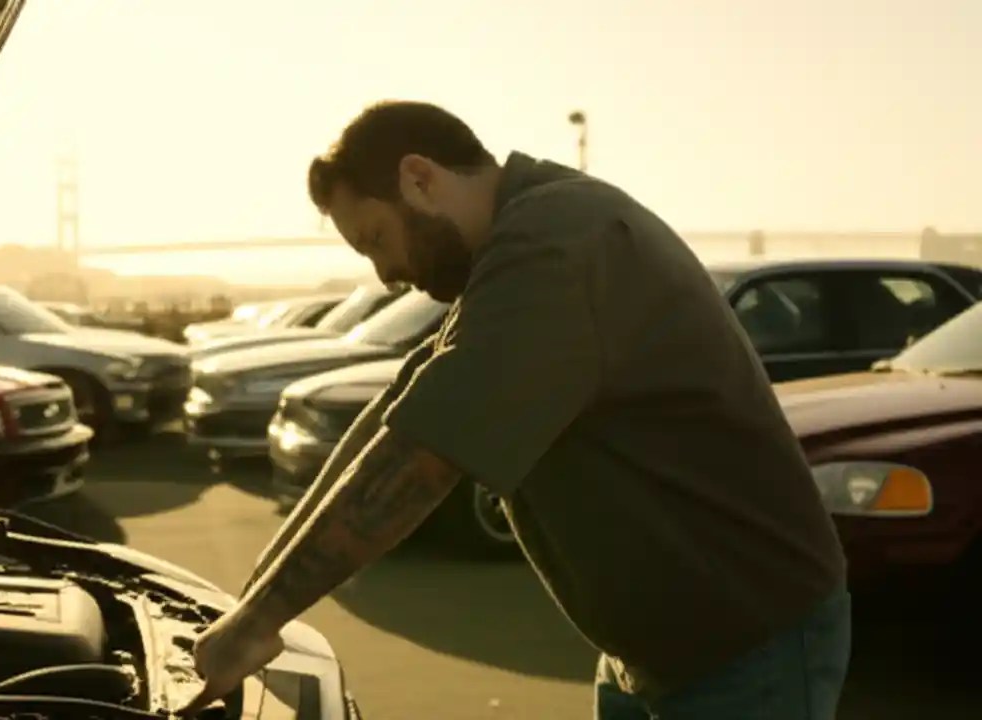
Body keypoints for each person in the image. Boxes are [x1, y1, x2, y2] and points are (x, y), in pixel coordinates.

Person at [179, 100, 851, 719]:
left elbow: (425, 457)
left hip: (745, 643)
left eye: (377, 239)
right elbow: (396, 418)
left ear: (420, 178)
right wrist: (248, 605)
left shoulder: (557, 239)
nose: (383, 276)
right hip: (653, 651)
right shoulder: (510, 245)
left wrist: (256, 625)